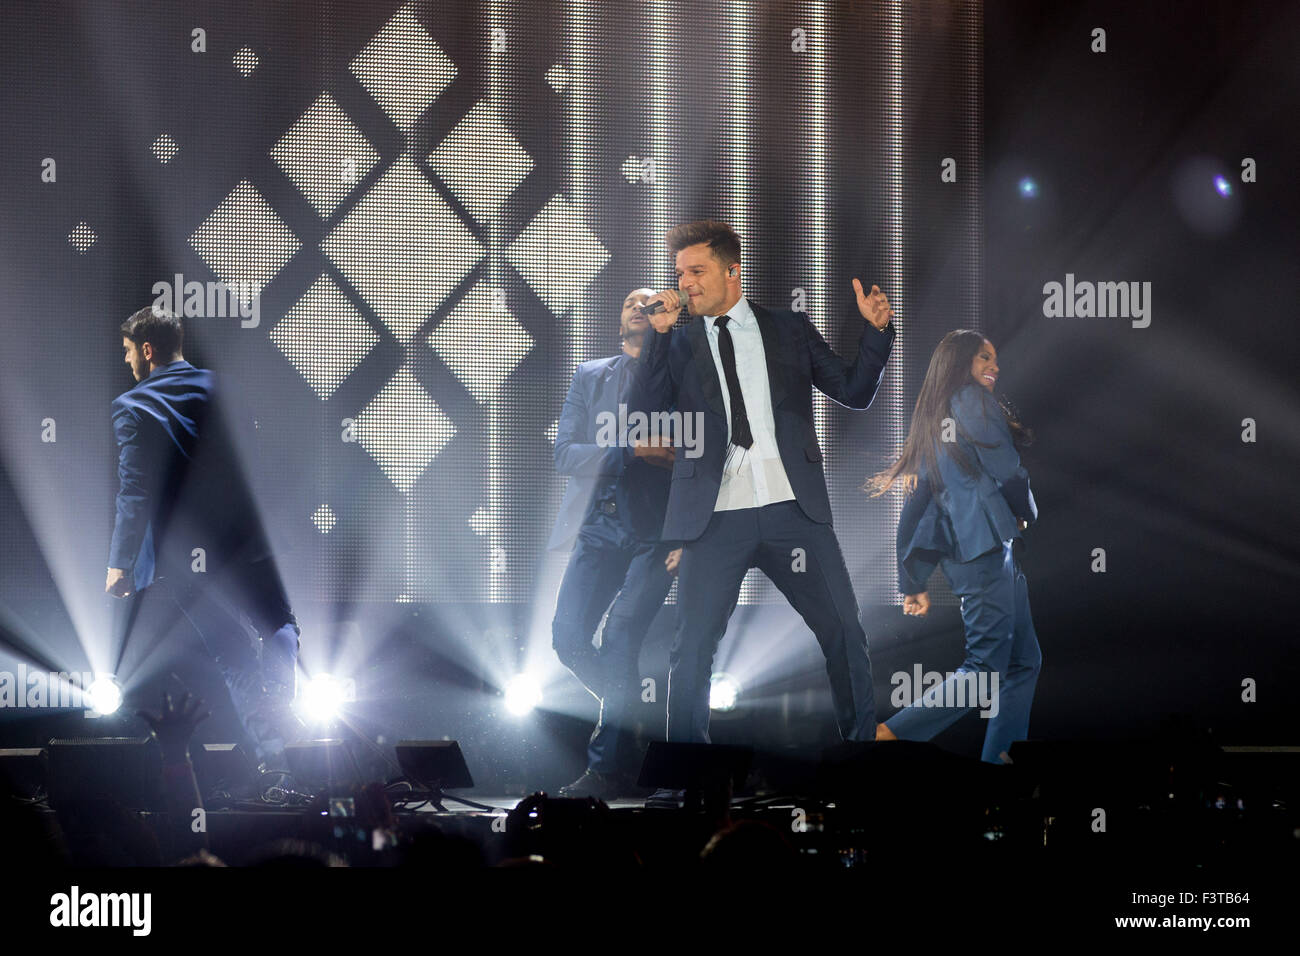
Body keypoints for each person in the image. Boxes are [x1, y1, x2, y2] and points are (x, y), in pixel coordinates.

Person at [632, 220, 895, 805]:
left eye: (696, 272)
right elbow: (642, 413)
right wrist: (658, 336)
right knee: (692, 647)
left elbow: (852, 390)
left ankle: (860, 764)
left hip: (790, 510)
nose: (685, 283)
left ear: (733, 271)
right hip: (714, 514)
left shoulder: (787, 328)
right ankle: (691, 780)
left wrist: (877, 336)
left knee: (845, 632)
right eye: (679, 273)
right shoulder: (678, 337)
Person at [107, 305, 300, 770]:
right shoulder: (226, 388)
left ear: (147, 350)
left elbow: (134, 491)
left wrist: (120, 563)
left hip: (184, 556)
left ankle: (276, 762)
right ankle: (292, 732)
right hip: (248, 539)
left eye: (129, 351)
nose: (127, 362)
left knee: (233, 653)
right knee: (280, 626)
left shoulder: (132, 406)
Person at [868, 329, 1041, 763]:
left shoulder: (936, 414)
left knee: (1023, 661)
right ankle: (892, 734)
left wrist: (913, 580)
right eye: (985, 358)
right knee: (985, 670)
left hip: (984, 548)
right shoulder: (971, 400)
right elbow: (1008, 468)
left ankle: (1001, 760)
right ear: (961, 362)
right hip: (983, 548)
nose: (994, 367)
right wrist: (1025, 509)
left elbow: (918, 502)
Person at [548, 289, 678, 799]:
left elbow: (699, 450)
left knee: (623, 637)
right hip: (598, 528)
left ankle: (606, 767)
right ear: (618, 317)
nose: (638, 307)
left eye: (650, 303)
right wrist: (629, 451)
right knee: (567, 637)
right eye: (629, 301)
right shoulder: (589, 375)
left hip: (655, 532)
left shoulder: (680, 376)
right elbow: (566, 454)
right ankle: (634, 721)